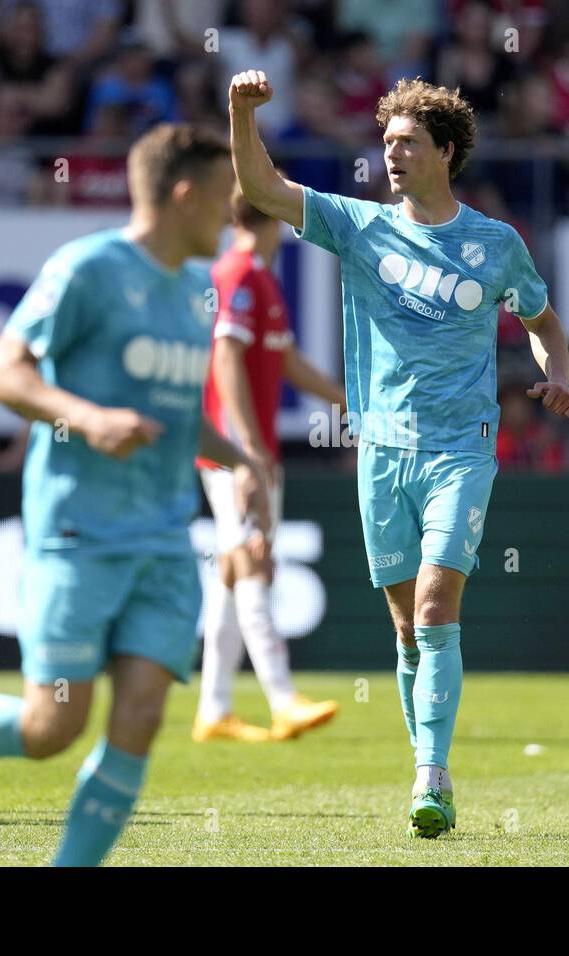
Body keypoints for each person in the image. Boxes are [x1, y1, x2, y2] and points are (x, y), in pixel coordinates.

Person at [0, 123, 271, 868]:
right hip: (79, 533)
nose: (235, 212)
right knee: (50, 729)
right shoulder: (88, 267)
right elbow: (1, 372)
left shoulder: (201, 289)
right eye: (223, 195)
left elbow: (178, 413)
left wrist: (243, 460)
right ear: (184, 193)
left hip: (164, 541)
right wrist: (88, 418)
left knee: (138, 719)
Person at [229, 70, 569, 837]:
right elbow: (259, 186)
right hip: (381, 451)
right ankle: (427, 763)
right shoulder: (356, 224)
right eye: (386, 142)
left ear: (445, 152)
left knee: (433, 604)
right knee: (404, 629)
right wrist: (242, 112)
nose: (392, 155)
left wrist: (559, 375)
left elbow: (544, 323)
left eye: (408, 143)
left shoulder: (496, 245)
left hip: (461, 449)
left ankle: (433, 774)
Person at [193, 175, 347, 743]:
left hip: (239, 447)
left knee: (232, 571)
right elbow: (226, 359)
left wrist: (344, 401)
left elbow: (282, 360)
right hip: (237, 449)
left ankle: (213, 708)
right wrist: (247, 451)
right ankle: (282, 698)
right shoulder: (239, 274)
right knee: (255, 559)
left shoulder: (256, 278)